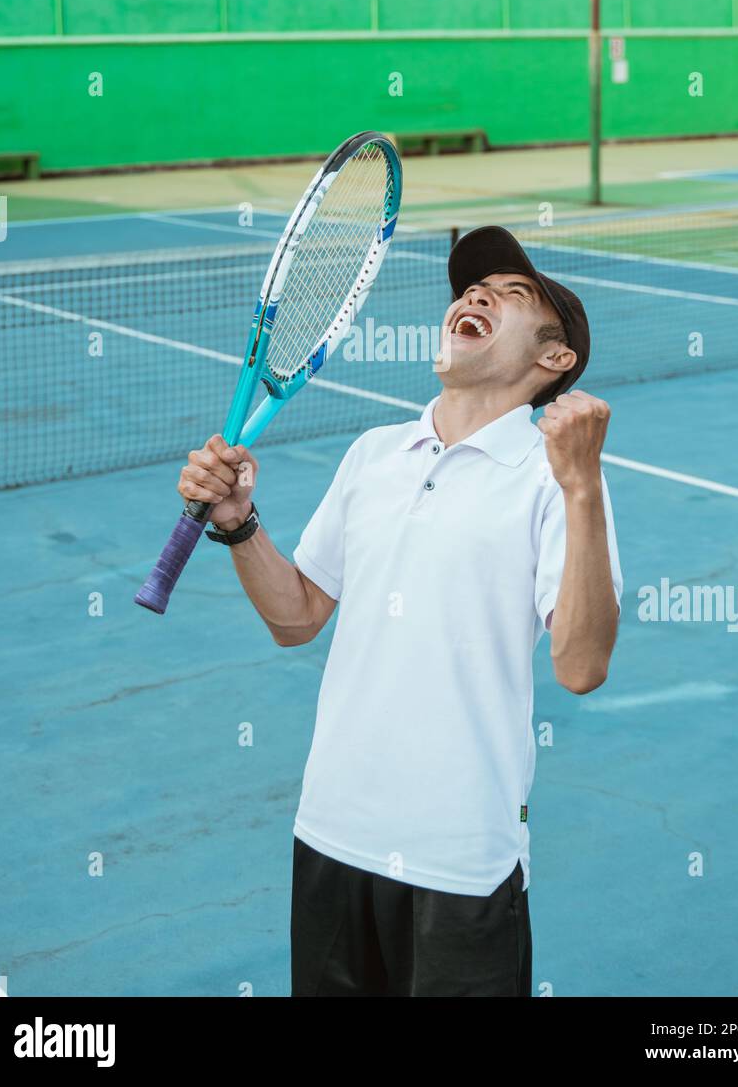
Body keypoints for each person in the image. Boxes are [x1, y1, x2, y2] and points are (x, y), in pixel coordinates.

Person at [178, 225, 623, 997]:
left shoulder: (555, 481)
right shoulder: (375, 453)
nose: (475, 295)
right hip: (330, 834)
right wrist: (240, 524)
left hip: (461, 859)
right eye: (470, 290)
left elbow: (581, 666)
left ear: (556, 360)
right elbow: (298, 616)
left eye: (512, 295)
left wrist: (582, 485)